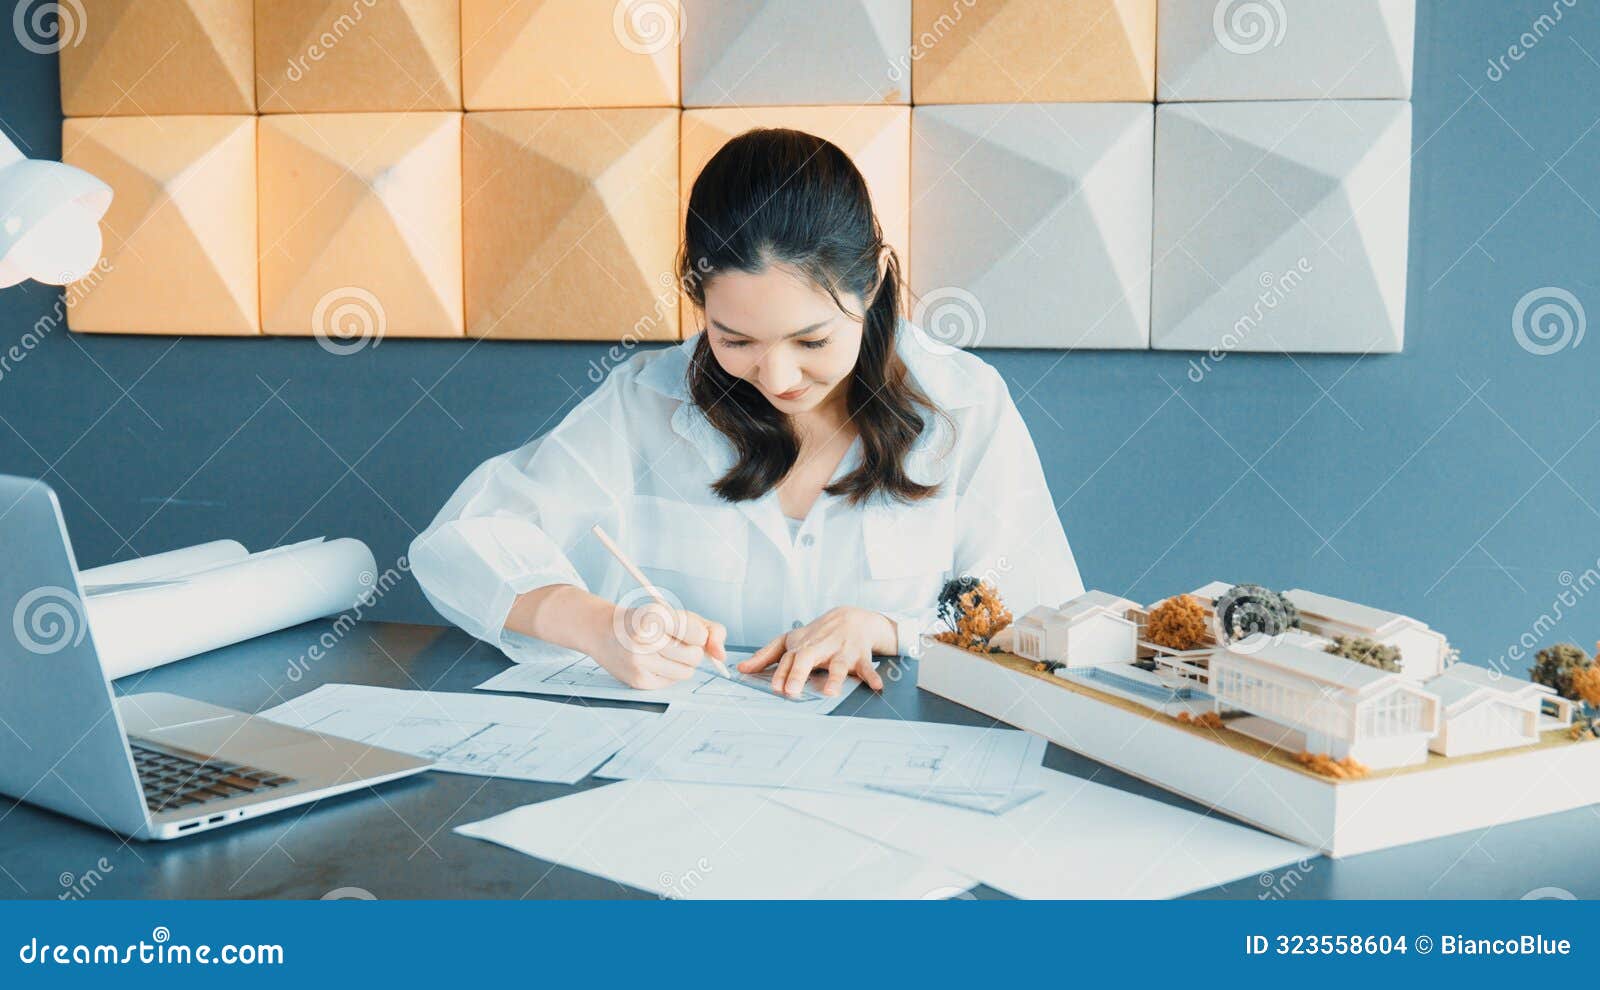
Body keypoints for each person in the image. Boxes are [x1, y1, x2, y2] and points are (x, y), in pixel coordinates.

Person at [410, 127, 1084, 698]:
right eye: (735, 341)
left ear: (873, 282)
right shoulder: (648, 398)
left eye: (812, 340)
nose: (778, 377)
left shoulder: (963, 404)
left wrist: (888, 632)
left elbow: (1042, 621)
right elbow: (464, 542)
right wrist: (595, 624)